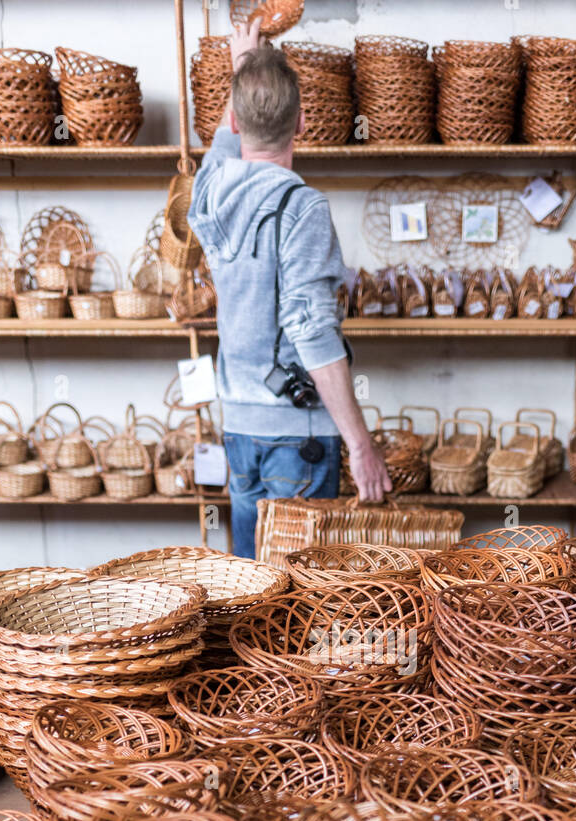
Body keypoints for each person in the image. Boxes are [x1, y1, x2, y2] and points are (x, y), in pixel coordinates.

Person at [188, 19, 391, 558]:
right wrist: (360, 444)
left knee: (250, 593)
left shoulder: (206, 194)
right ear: (302, 121)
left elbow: (223, 142)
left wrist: (243, 68)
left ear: (234, 117)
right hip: (296, 436)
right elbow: (314, 334)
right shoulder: (302, 209)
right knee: (296, 605)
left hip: (240, 428)